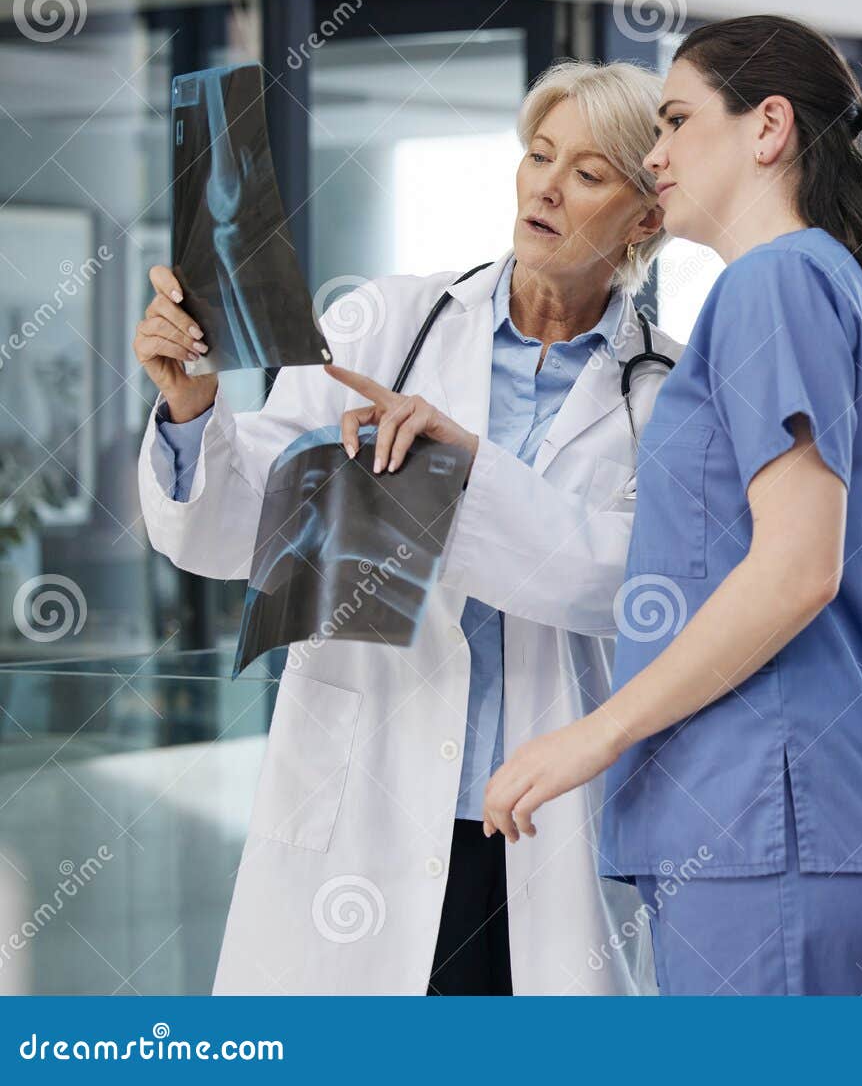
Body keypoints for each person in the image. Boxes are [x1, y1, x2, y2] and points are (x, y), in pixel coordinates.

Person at [133, 60, 679, 995]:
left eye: (588, 173)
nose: (546, 185)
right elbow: (234, 528)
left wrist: (459, 474)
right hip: (362, 812)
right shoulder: (387, 321)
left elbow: (633, 589)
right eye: (539, 155)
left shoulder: (667, 390)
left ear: (646, 217)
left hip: (542, 834)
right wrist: (191, 415)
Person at [478, 14, 862, 997]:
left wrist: (595, 733)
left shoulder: (772, 284)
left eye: (676, 120)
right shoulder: (847, 302)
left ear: (767, 128)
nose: (654, 156)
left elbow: (795, 569)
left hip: (756, 826)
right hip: (819, 834)